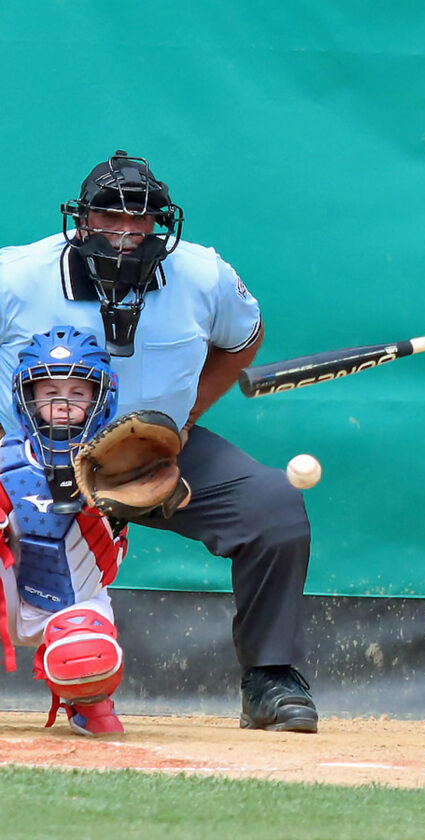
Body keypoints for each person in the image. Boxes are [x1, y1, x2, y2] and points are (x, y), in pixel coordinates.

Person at [0, 152, 318, 733]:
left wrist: (187, 415)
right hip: (30, 458)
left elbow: (244, 338)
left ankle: (270, 678)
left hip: (153, 454)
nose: (125, 231)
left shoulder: (202, 274)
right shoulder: (17, 276)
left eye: (140, 219)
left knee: (272, 506)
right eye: (108, 216)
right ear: (83, 219)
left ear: (161, 223)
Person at [0, 326, 128, 735]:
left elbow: (170, 503)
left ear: (99, 397)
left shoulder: (120, 463)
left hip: (74, 607)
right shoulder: (7, 459)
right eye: (49, 391)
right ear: (28, 397)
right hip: (12, 599)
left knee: (86, 649)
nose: (61, 404)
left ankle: (86, 702)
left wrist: (149, 494)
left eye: (77, 393)